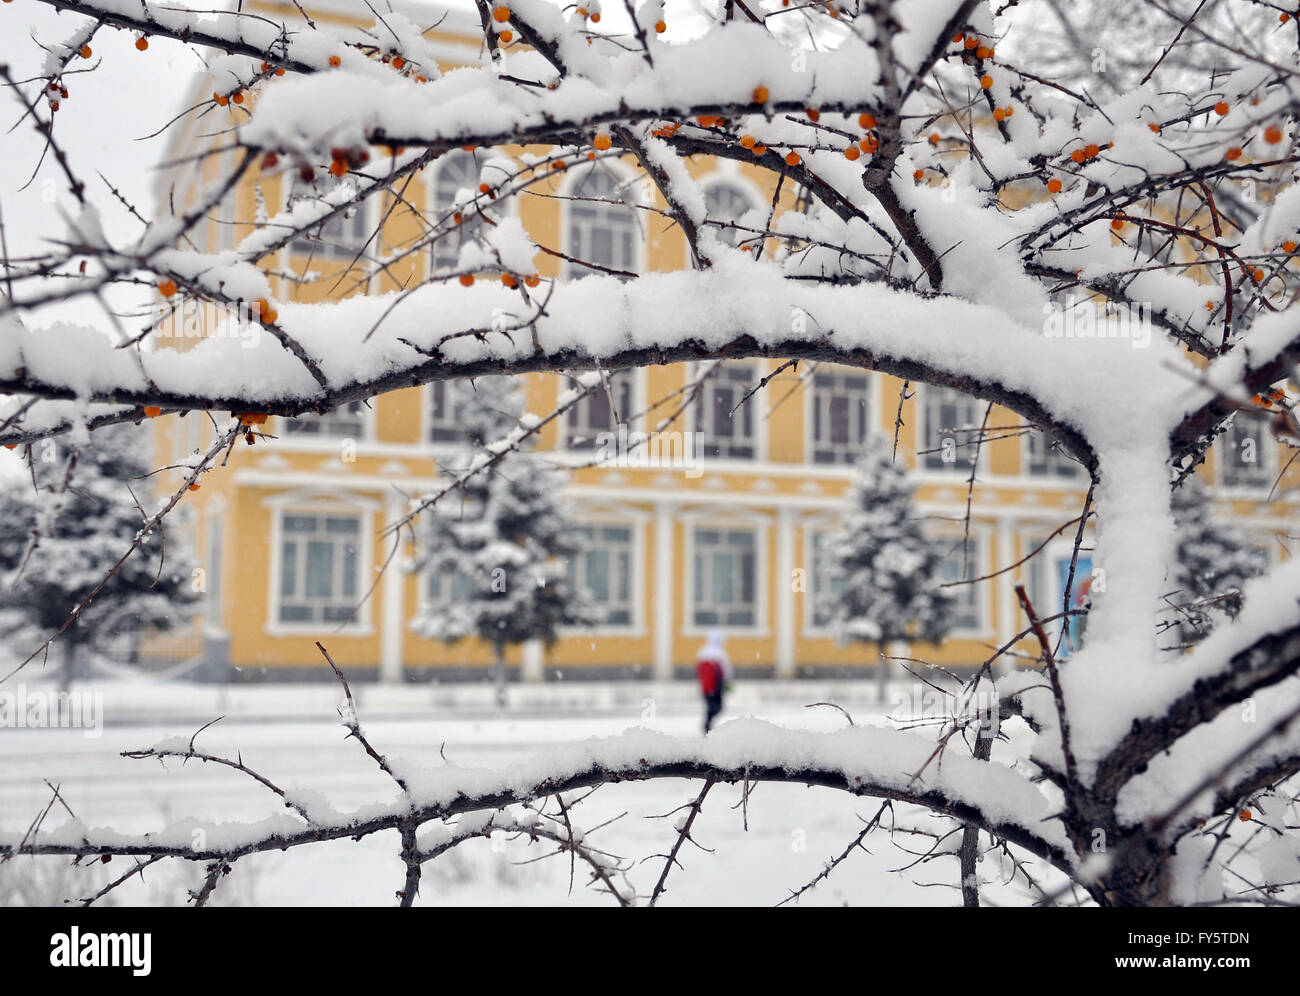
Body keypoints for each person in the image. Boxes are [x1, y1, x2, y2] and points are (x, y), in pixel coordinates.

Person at [696, 629, 733, 734]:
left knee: (711, 706)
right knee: (717, 707)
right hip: (717, 685)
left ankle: (707, 725)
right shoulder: (720, 653)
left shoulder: (703, 652)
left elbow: (699, 671)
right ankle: (707, 726)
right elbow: (726, 670)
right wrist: (727, 683)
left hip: (707, 686)